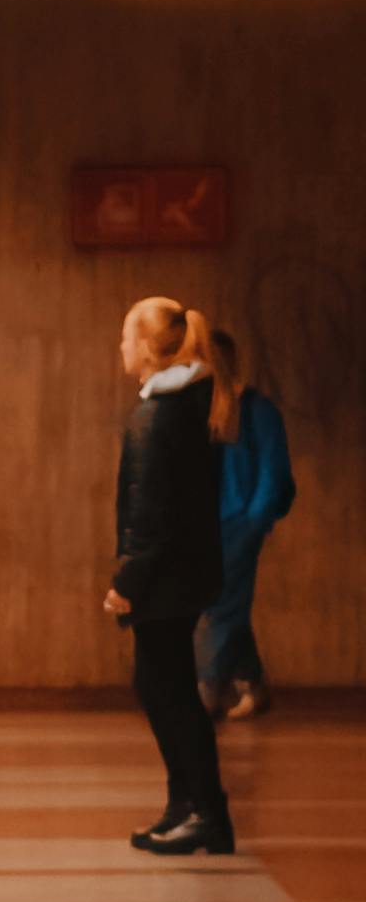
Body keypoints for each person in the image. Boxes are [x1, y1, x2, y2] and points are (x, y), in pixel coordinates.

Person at [104, 295, 233, 856]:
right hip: (181, 576)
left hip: (164, 580)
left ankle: (204, 812)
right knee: (165, 688)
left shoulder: (158, 415)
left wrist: (126, 583)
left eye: (128, 337)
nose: (122, 347)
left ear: (150, 349)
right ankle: (186, 805)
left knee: (169, 693)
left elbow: (151, 514)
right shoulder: (184, 405)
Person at [198, 326, 295, 722]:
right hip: (207, 523)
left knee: (224, 606)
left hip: (240, 521)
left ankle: (209, 690)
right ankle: (254, 682)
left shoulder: (256, 410)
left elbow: (275, 472)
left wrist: (256, 519)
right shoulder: (207, 410)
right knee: (224, 603)